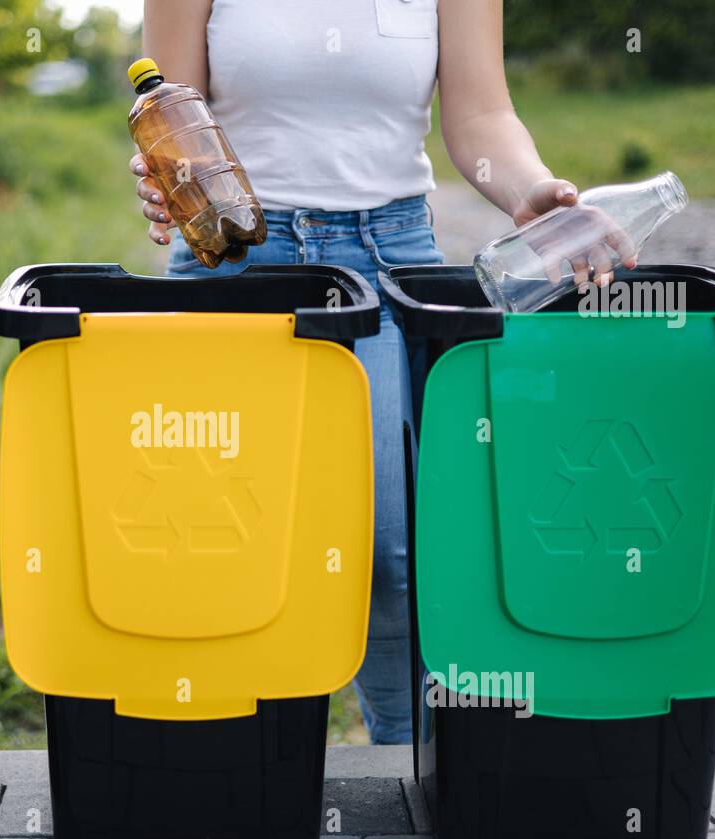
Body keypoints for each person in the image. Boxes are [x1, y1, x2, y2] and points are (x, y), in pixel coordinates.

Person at [129, 0, 631, 744]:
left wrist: (533, 193)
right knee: (215, 544)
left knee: (390, 560)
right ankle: (223, 765)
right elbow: (166, 107)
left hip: (387, 261)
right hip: (232, 262)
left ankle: (407, 773)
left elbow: (482, 115)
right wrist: (159, 176)